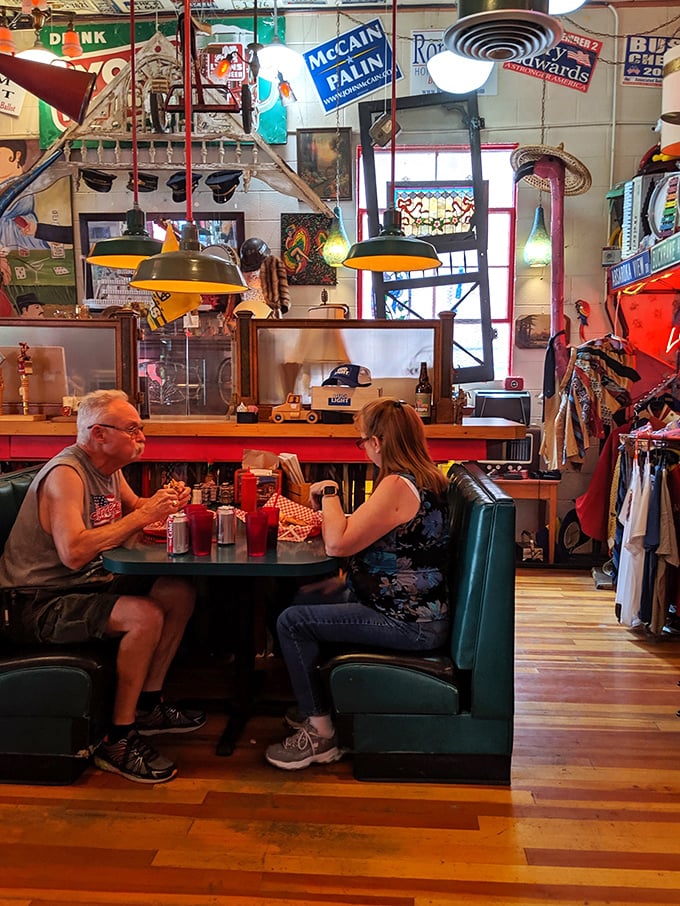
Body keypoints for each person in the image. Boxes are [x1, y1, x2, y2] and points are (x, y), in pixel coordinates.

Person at [0, 389, 205, 784]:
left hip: (86, 583)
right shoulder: (67, 475)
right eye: (132, 429)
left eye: (141, 429)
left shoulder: (109, 468)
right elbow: (74, 552)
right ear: (98, 434)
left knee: (177, 591)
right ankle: (118, 739)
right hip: (35, 601)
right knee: (143, 616)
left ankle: (148, 705)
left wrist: (166, 502)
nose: (141, 437)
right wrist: (145, 514)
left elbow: (135, 508)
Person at [265, 397, 451, 771]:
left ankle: (321, 735)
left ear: (377, 442)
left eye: (362, 441)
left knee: (292, 621)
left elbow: (337, 544)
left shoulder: (397, 484)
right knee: (301, 598)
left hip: (409, 622)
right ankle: (318, 705)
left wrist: (329, 493)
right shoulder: (424, 477)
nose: (363, 448)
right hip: (411, 608)